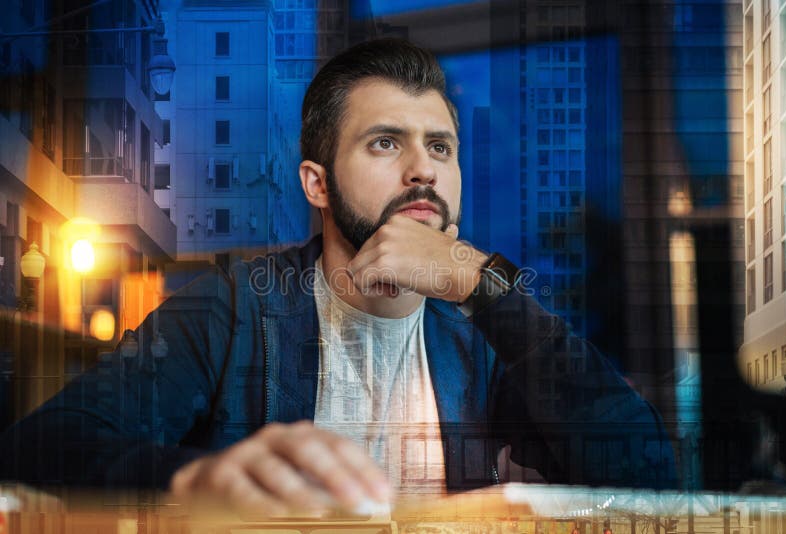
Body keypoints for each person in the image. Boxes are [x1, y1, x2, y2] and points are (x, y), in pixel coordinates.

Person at [0, 38, 675, 516]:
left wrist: (484, 283)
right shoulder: (233, 310)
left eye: (440, 146)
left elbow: (644, 473)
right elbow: (41, 448)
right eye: (386, 142)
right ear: (316, 184)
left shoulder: (482, 343)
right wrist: (196, 481)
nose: (423, 169)